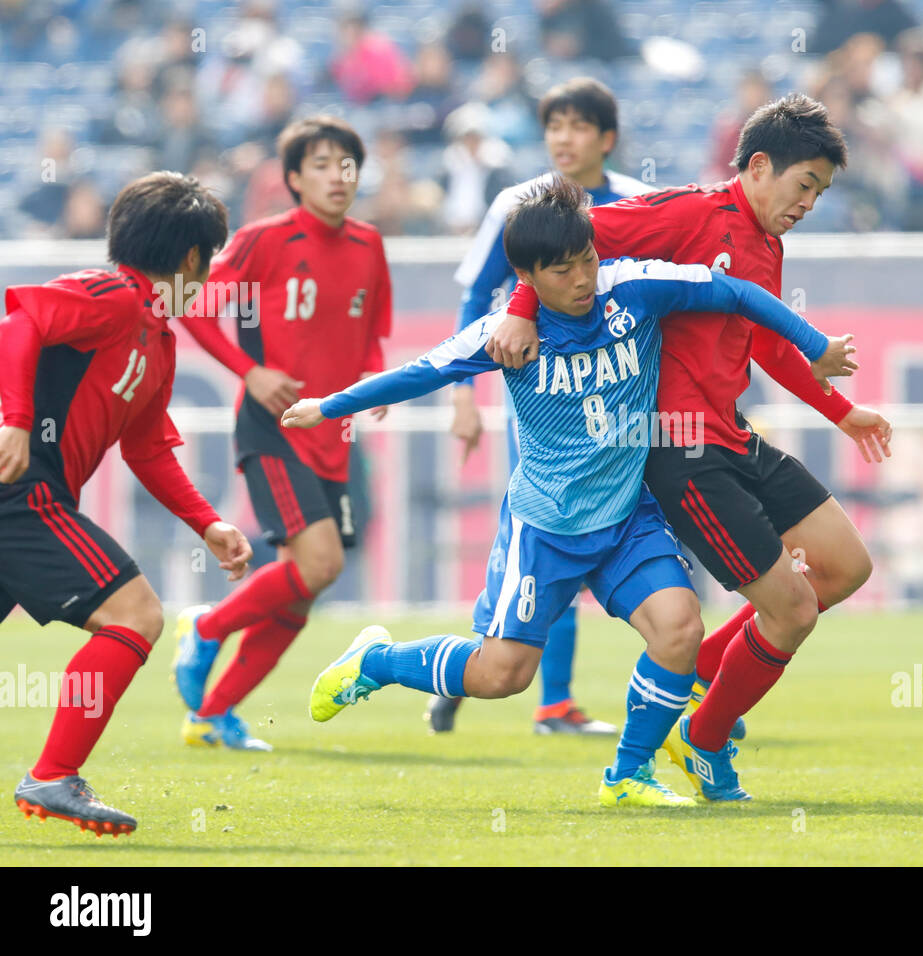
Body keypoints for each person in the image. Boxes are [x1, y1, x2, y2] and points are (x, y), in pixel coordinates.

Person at [282, 178, 856, 806]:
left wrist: (812, 342)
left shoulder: (633, 286)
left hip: (627, 516)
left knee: (679, 628)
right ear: (528, 277)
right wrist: (329, 405)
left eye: (588, 259)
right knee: (502, 675)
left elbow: (737, 292)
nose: (583, 277)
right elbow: (417, 372)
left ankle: (628, 776)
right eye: (564, 270)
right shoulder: (505, 335)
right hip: (547, 526)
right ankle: (377, 662)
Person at [487, 94, 893, 801]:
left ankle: (704, 673)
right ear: (759, 166)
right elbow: (559, 236)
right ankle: (702, 740)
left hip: (732, 434)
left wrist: (842, 411)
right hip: (680, 452)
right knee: (792, 609)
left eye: (821, 193)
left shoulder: (768, 244)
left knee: (844, 566)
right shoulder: (689, 213)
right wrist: (522, 309)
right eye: (805, 186)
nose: (810, 203)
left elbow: (765, 340)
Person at [0, 172, 253, 835]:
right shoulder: (112, 296)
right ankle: (53, 776)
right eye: (210, 262)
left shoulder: (157, 341)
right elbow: (19, 323)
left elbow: (147, 450)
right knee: (135, 613)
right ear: (193, 259)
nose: (207, 279)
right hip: (21, 491)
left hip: (25, 492)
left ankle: (54, 776)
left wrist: (209, 522)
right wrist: (17, 418)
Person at [438, 76, 653, 736]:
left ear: (607, 139)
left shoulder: (643, 205)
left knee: (640, 543)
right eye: (554, 125)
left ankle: (467, 663)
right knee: (554, 541)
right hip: (550, 409)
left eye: (579, 126)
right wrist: (464, 398)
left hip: (626, 409)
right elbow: (477, 300)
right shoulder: (517, 202)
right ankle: (551, 702)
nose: (564, 137)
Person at [172, 116, 392, 750]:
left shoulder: (369, 244)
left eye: (347, 164)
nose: (337, 176)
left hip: (333, 433)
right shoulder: (262, 241)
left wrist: (374, 383)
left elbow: (371, 334)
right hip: (273, 427)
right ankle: (207, 628)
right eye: (321, 164)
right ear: (294, 178)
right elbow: (194, 306)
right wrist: (252, 372)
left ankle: (212, 714)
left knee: (307, 589)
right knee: (317, 563)